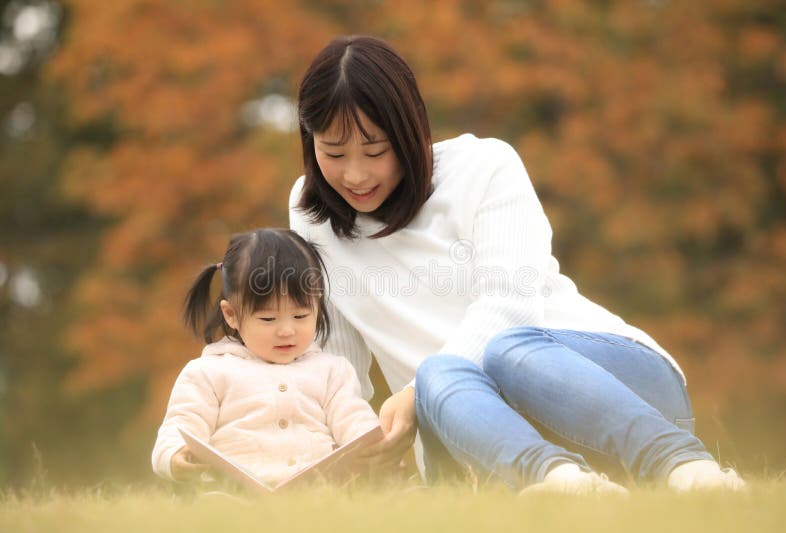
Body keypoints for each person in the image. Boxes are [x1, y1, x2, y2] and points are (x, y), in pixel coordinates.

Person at [288, 35, 746, 494]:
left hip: (616, 389)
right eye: (333, 153)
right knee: (437, 375)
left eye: (375, 152)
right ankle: (564, 485)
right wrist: (336, 450)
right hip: (476, 432)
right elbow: (335, 365)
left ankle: (684, 464)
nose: (355, 174)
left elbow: (511, 307)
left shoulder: (483, 166)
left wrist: (411, 395)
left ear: (409, 132)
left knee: (498, 351)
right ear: (310, 141)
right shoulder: (311, 215)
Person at [151, 228, 379, 485]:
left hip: (316, 491)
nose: (286, 330)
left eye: (301, 316)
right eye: (268, 319)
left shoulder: (332, 371)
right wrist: (175, 455)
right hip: (234, 492)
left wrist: (377, 447)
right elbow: (182, 424)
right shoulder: (208, 372)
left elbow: (353, 419)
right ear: (231, 315)